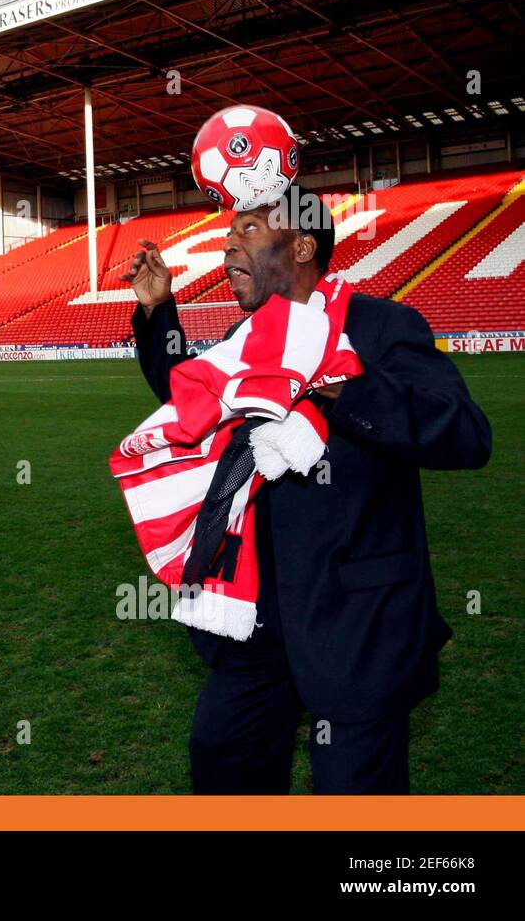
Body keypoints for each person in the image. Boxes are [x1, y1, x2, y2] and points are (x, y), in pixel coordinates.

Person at [121, 201, 491, 793]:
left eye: (248, 230)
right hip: (257, 620)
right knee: (223, 762)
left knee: (352, 793)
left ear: (301, 245)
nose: (227, 246)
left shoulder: (380, 326)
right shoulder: (248, 337)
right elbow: (191, 402)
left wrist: (347, 387)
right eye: (227, 233)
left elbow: (466, 434)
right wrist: (159, 308)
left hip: (356, 623)